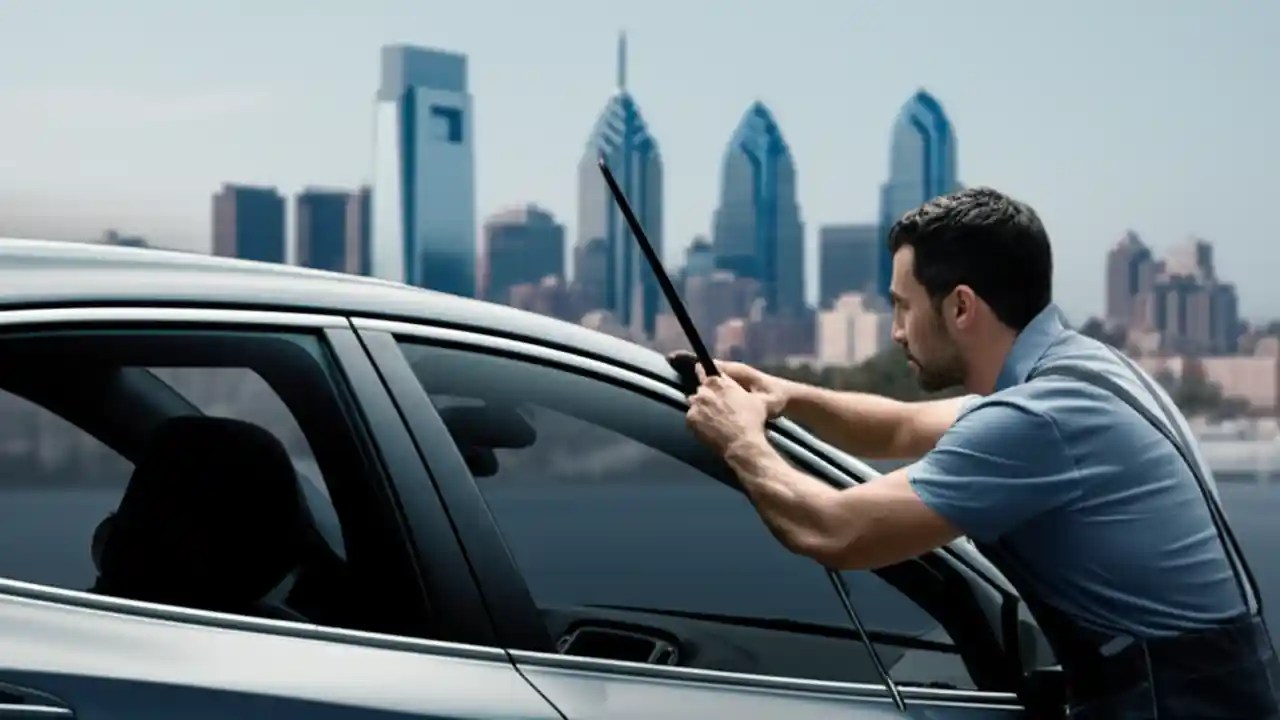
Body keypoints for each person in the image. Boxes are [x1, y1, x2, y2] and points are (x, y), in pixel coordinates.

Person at [677, 186, 1280, 718]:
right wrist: (787, 394)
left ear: (962, 306)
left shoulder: (1041, 419)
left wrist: (740, 440)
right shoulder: (1083, 370)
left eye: (903, 306)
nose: (895, 331)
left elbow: (835, 530)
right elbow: (898, 428)